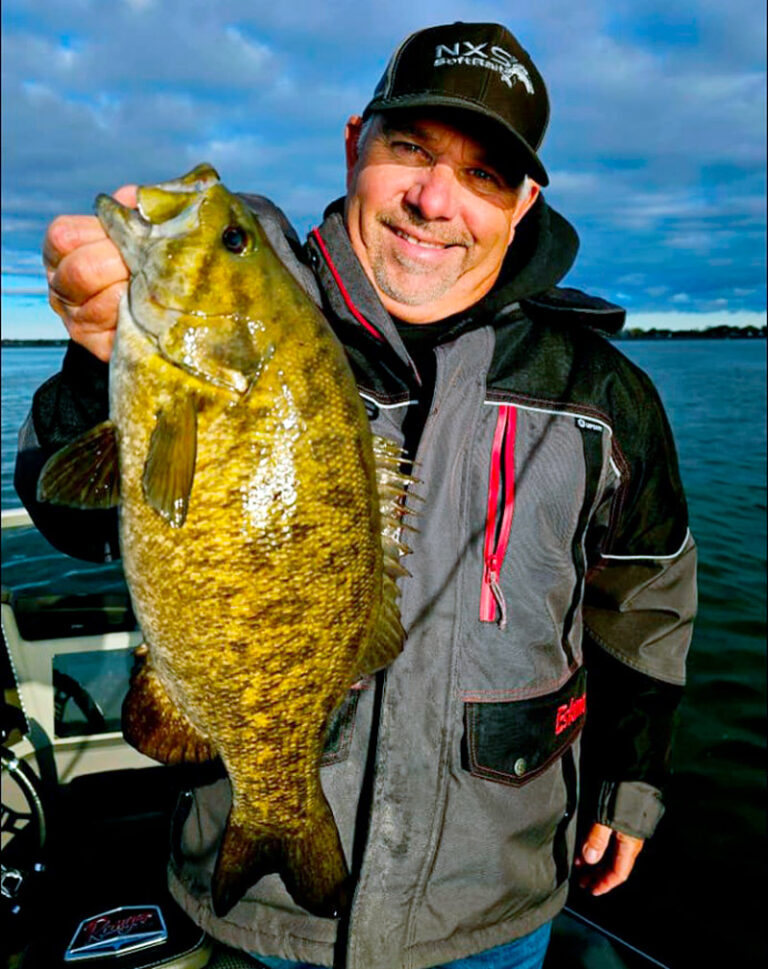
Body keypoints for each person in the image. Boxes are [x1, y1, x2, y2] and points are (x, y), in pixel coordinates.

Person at [16, 21, 696, 969]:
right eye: (409, 148)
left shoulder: (605, 397)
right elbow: (71, 517)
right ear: (353, 145)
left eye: (484, 174)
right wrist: (103, 370)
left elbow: (643, 604)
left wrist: (633, 778)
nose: (432, 200)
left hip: (490, 914)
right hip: (249, 911)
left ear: (524, 201)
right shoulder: (258, 324)